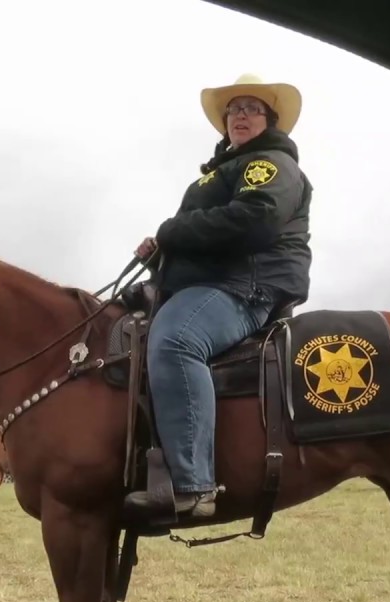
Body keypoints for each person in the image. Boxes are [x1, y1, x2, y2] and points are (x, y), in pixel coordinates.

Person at [124, 73, 314, 520]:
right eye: (233, 110)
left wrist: (172, 230)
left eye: (251, 109)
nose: (240, 116)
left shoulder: (267, 164)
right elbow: (203, 238)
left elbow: (255, 220)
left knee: (176, 341)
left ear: (269, 121)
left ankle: (193, 484)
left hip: (246, 285)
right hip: (212, 281)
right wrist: (162, 254)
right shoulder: (222, 172)